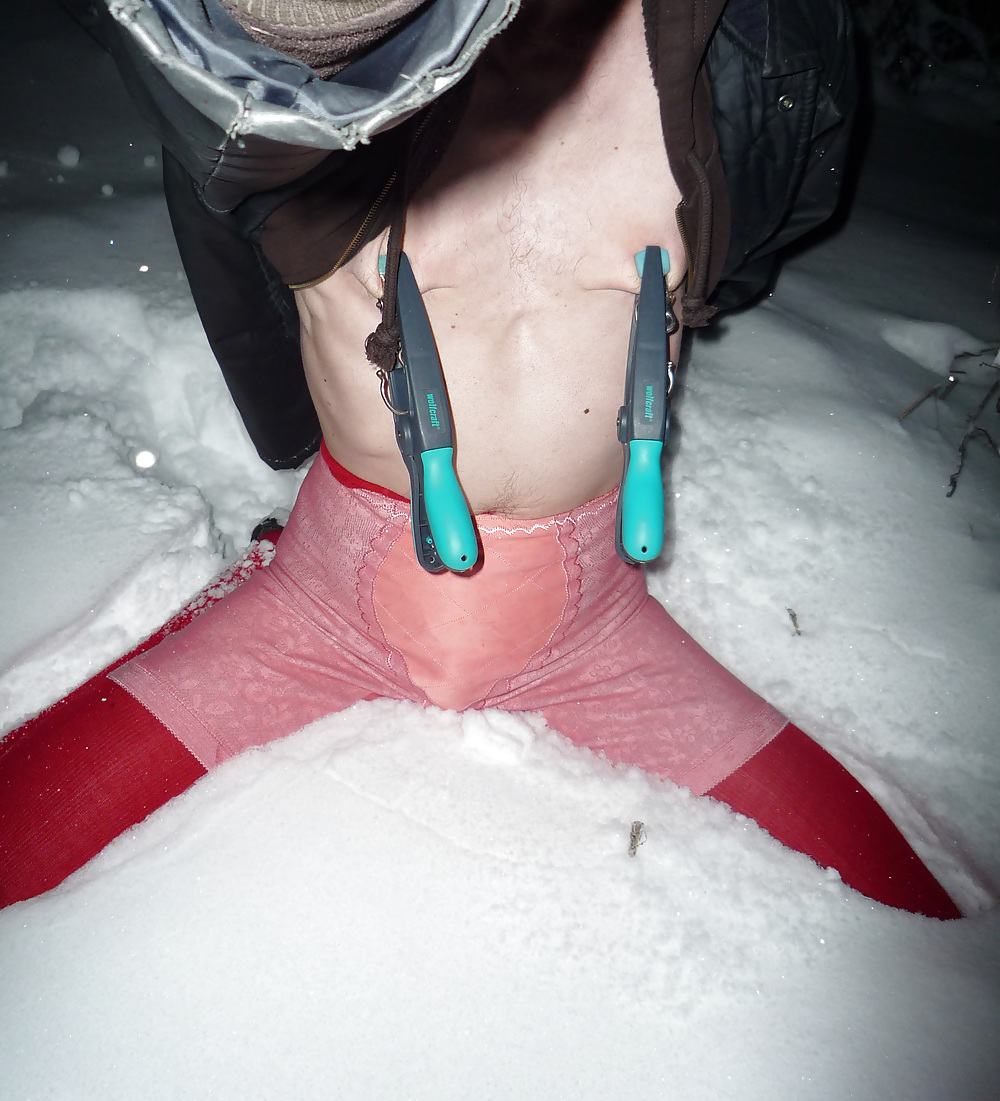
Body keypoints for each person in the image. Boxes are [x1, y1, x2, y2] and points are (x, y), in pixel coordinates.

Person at [0, 0, 961, 918]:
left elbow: (779, 203)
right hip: (327, 608)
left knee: (924, 928)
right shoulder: (293, 71)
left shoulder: (749, 49)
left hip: (594, 630)